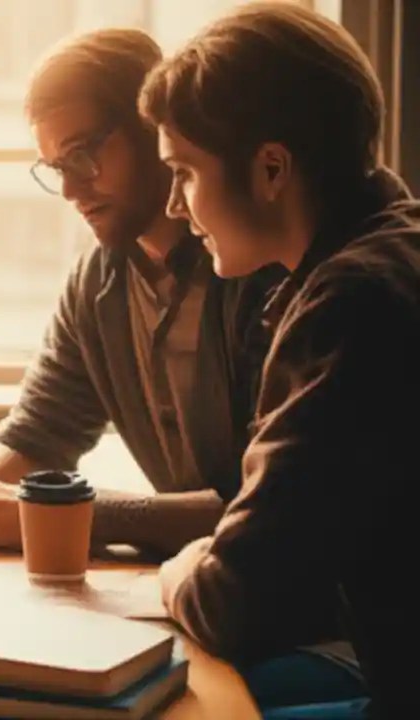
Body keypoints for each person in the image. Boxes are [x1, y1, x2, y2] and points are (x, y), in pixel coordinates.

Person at [141, 3, 420, 717]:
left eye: (184, 172)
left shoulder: (350, 307)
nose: (175, 205)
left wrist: (181, 570)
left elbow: (234, 602)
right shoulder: (397, 251)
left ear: (271, 169)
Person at [0, 28, 278, 557]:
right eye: (55, 168)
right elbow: (37, 436)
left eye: (82, 154)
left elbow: (265, 506)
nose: (69, 188)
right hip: (187, 586)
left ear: (152, 129)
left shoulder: (256, 268)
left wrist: (65, 514)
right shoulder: (96, 283)